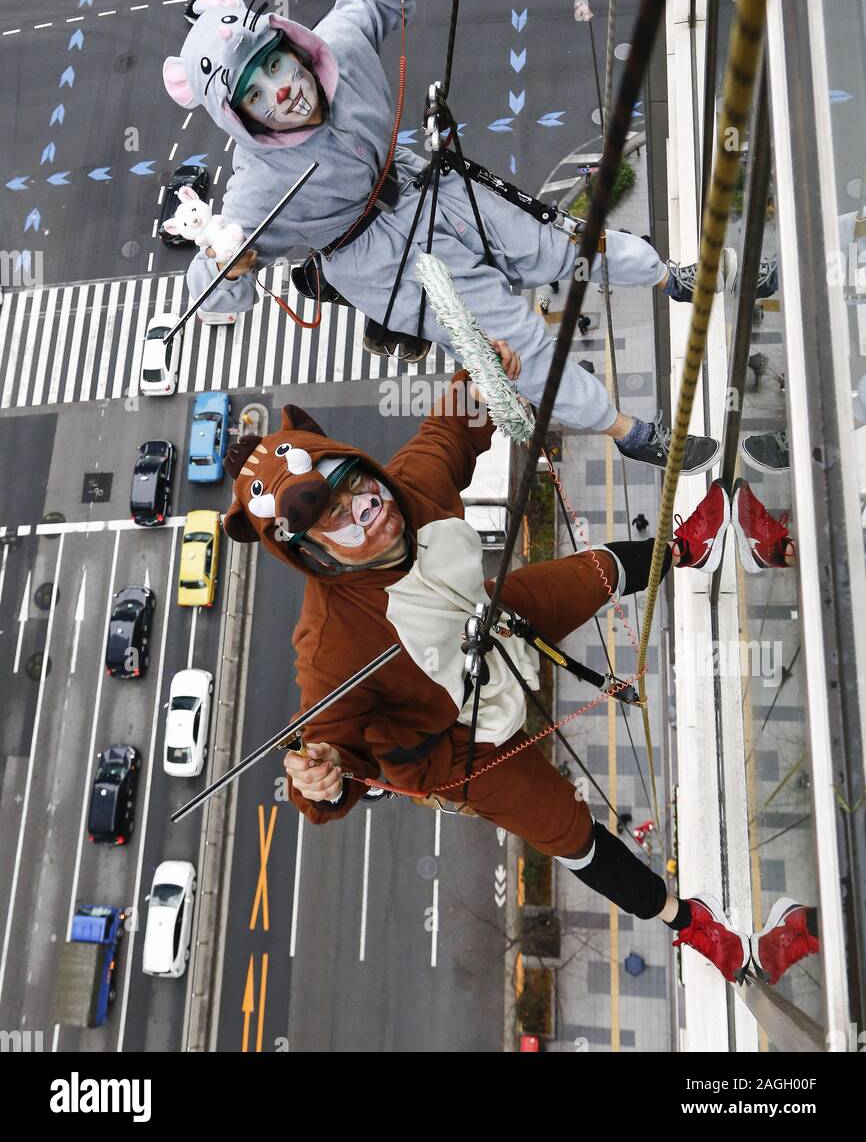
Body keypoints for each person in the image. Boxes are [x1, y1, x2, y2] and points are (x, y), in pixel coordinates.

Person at [220, 360, 816, 986]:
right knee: (566, 828)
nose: (369, 511)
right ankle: (699, 929)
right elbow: (327, 746)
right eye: (336, 518)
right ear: (311, 551)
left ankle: (694, 546)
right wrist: (317, 780)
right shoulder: (331, 644)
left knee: (593, 572)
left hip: (493, 621)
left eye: (354, 485)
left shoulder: (409, 489)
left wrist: (484, 368)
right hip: (454, 746)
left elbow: (451, 428)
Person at [163, 0, 779, 477]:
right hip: (390, 265)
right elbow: (212, 291)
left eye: (277, 65)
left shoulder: (338, 51)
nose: (285, 92)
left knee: (562, 244)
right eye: (258, 96)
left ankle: (672, 276)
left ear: (291, 46)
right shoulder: (255, 185)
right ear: (241, 119)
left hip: (433, 185)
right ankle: (628, 432)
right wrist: (225, 264)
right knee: (519, 338)